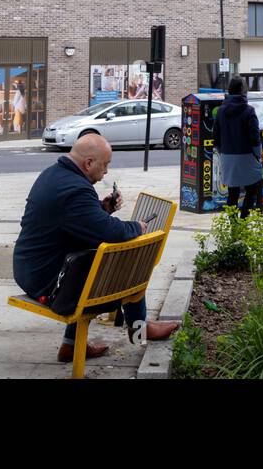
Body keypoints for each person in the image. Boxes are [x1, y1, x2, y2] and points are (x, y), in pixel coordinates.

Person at [13, 133, 179, 363]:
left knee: (95, 261)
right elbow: (114, 233)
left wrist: (103, 209)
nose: (107, 172)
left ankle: (71, 346)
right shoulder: (75, 190)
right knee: (130, 261)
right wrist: (137, 227)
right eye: (105, 165)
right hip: (49, 282)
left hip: (32, 270)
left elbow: (78, 224)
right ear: (89, 163)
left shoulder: (54, 174)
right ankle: (139, 329)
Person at [215, 76, 263, 218]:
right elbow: (255, 137)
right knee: (252, 190)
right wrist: (257, 155)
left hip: (227, 157)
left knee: (233, 193)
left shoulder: (221, 111)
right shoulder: (249, 111)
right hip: (247, 157)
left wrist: (223, 152)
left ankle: (234, 228)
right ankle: (243, 221)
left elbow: (216, 136)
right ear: (243, 90)